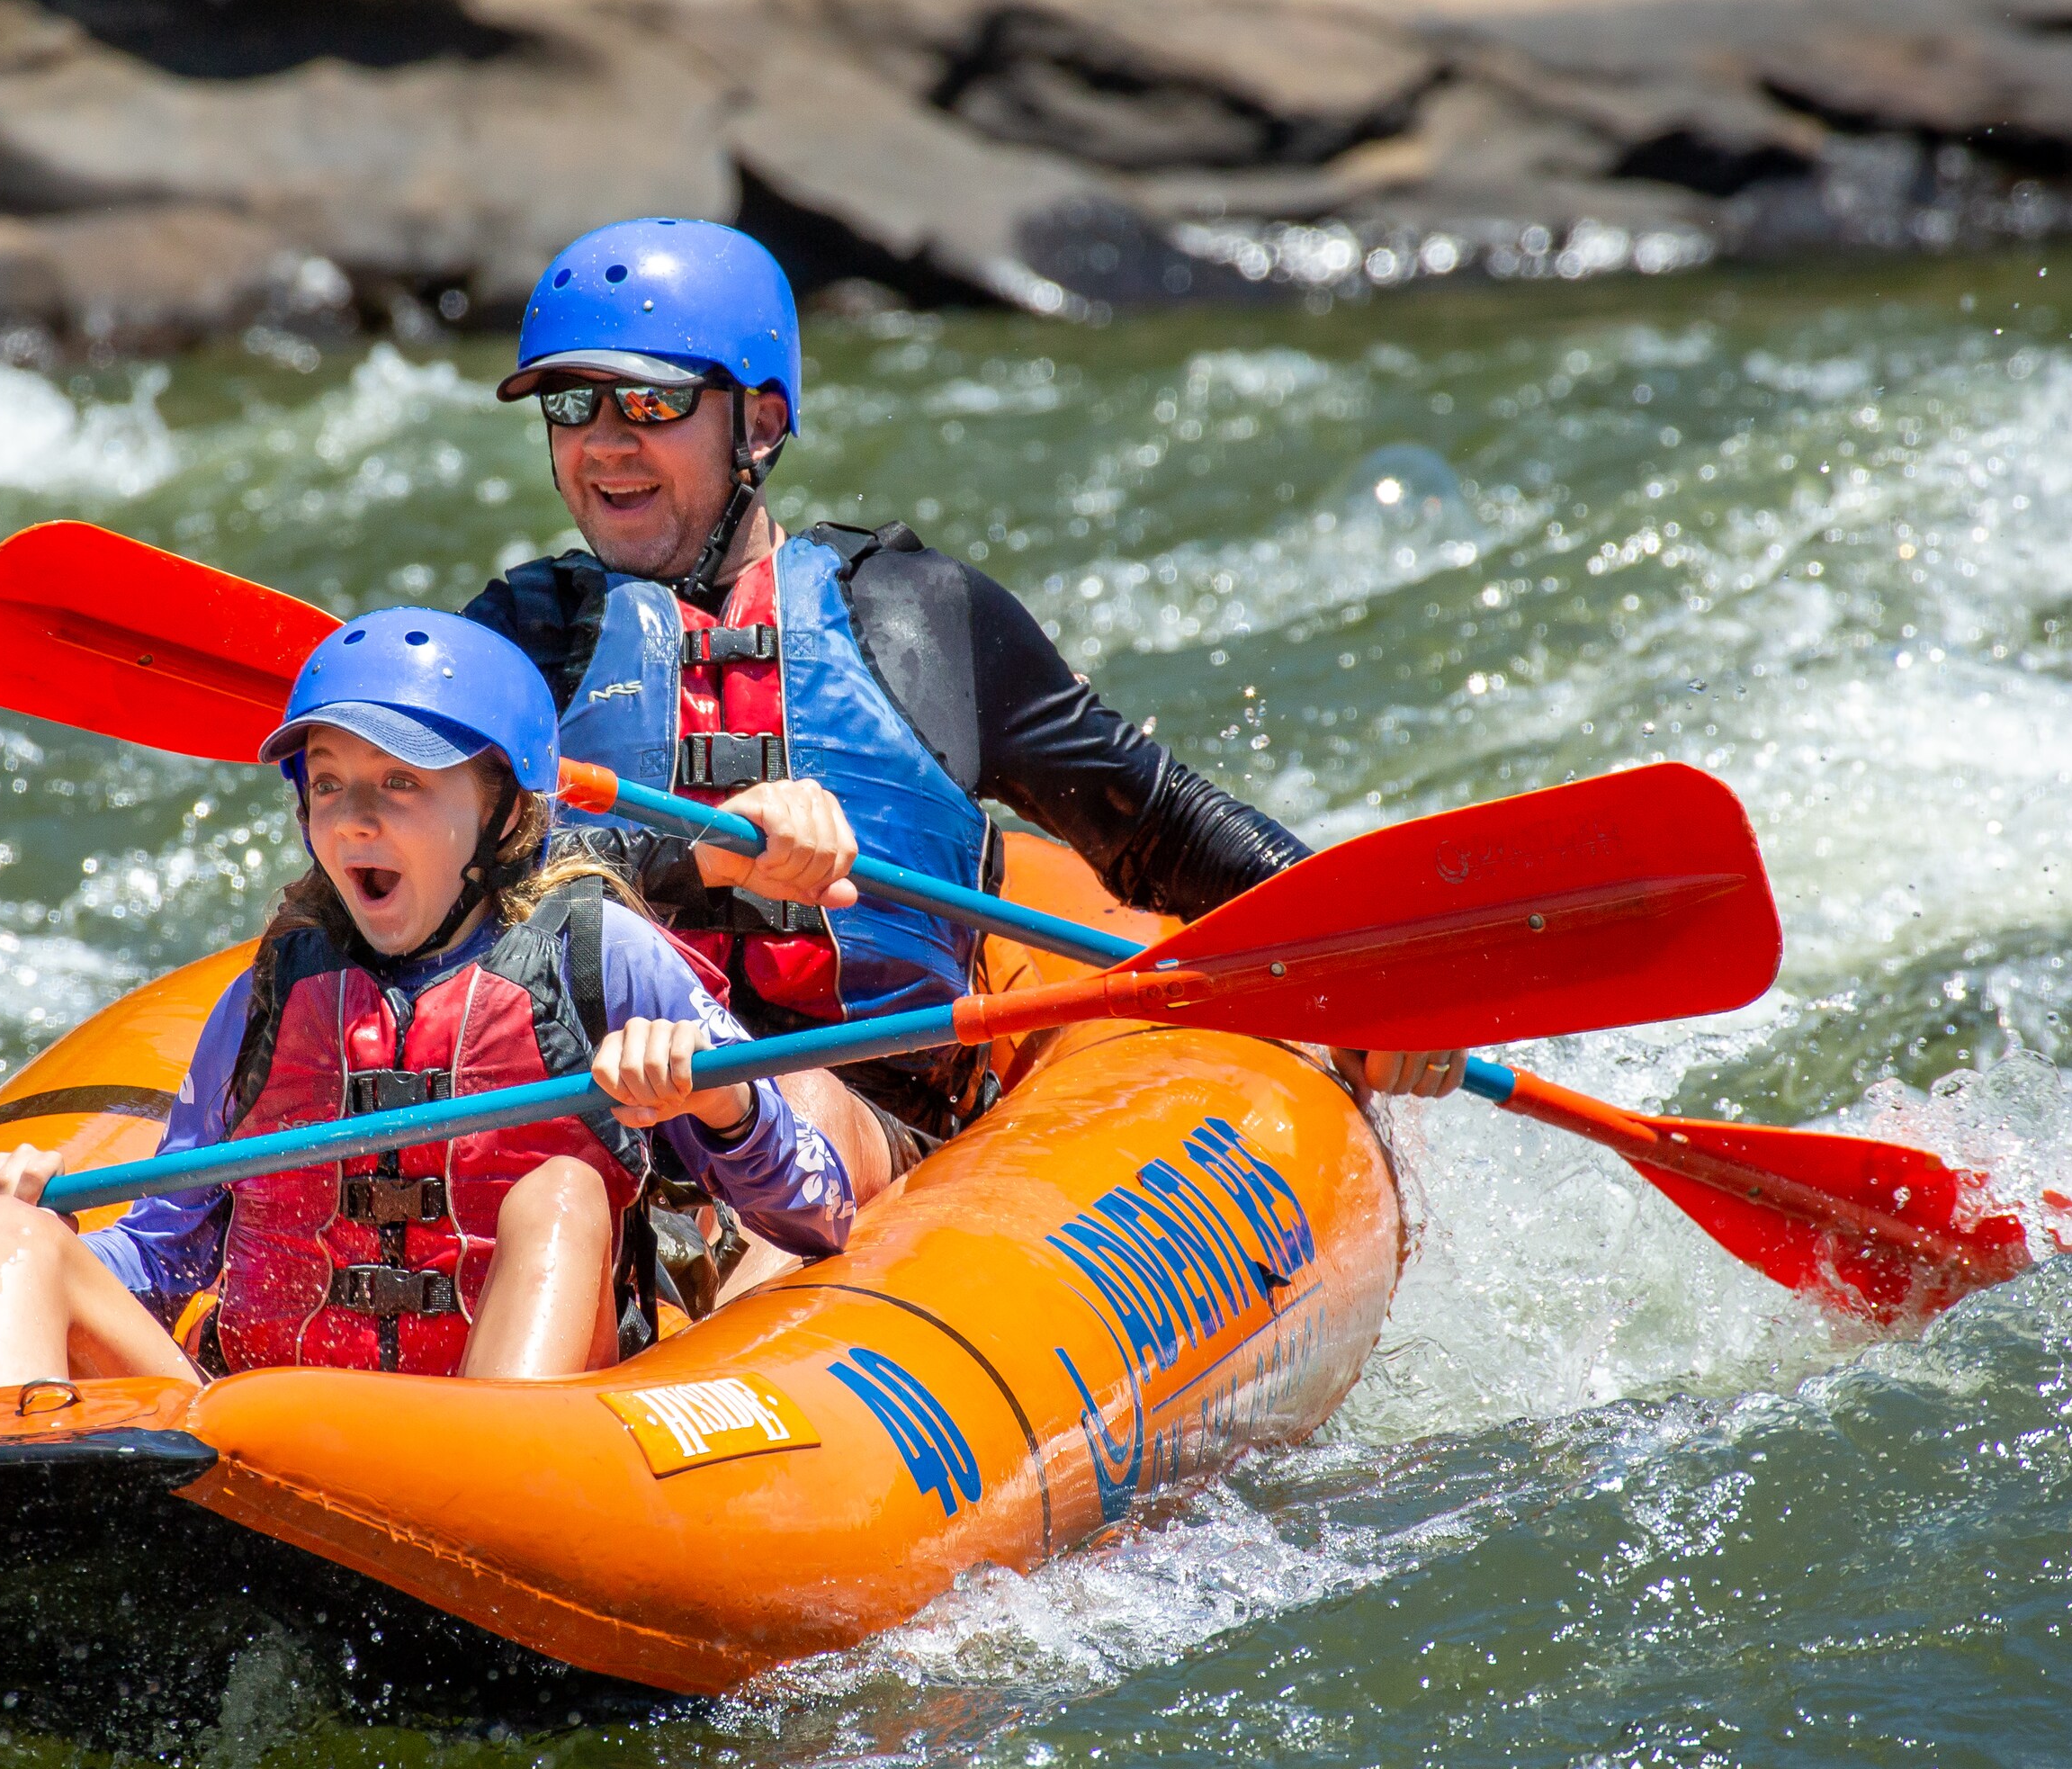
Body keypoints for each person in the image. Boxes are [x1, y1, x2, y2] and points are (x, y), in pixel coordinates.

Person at [468, 217, 1462, 1226]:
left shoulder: (918, 616)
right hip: (602, 1132)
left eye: (652, 401)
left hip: (868, 1135)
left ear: (760, 425)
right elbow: (418, 889)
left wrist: (1370, 972)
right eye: (571, 403)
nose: (602, 441)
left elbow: (1160, 829)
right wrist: (693, 864)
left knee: (801, 1099)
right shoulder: (511, 644)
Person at [0, 608, 854, 1404]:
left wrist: (718, 1101)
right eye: (330, 782)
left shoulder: (604, 959)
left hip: (505, 1449)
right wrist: (40, 1212)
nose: (352, 820)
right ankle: (4, 1534)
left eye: (401, 782)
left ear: (504, 809)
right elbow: (160, 1255)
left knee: (564, 1192)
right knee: (11, 1237)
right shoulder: (271, 992)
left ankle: (489, 1503)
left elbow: (819, 1215)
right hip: (262, 1439)